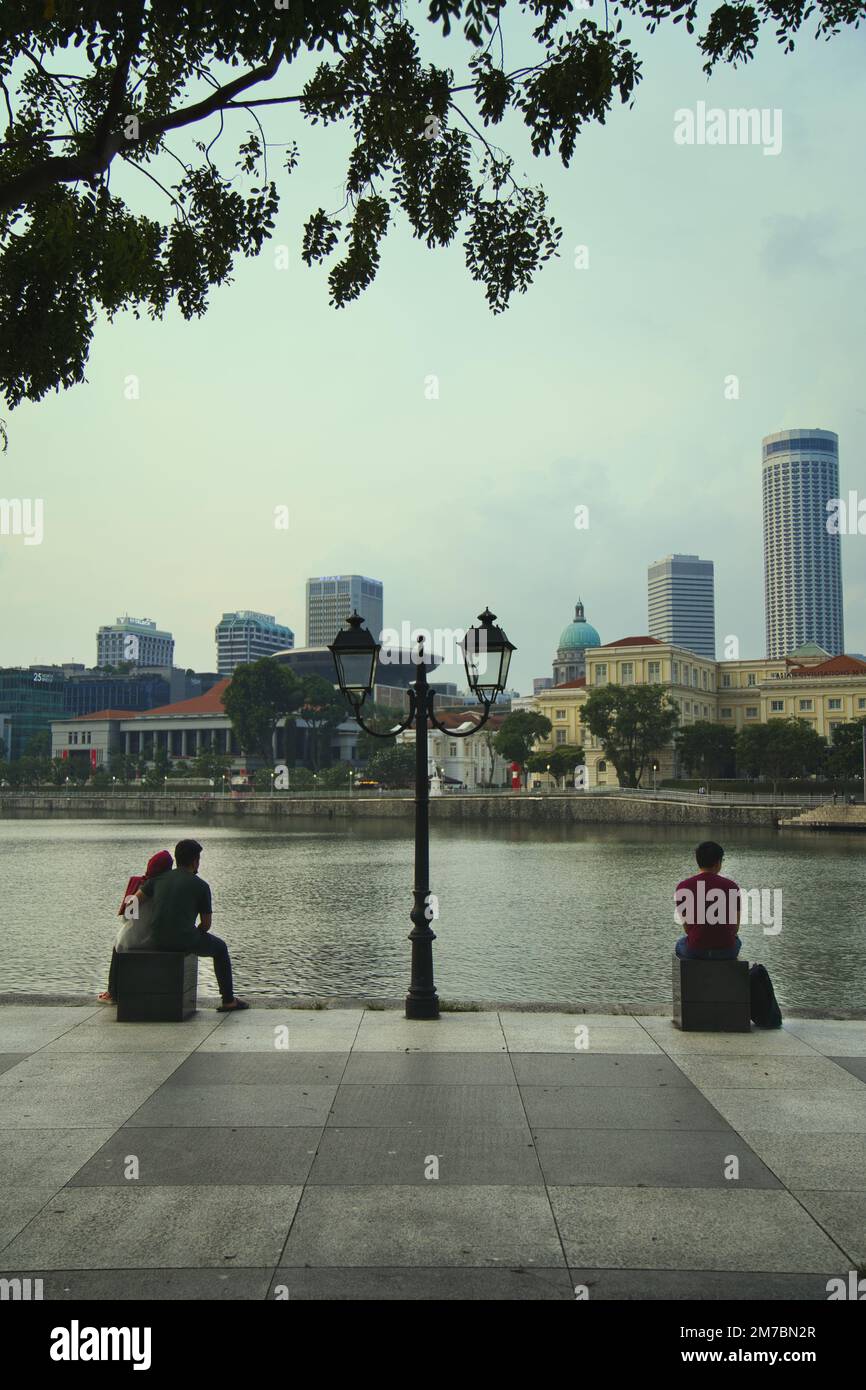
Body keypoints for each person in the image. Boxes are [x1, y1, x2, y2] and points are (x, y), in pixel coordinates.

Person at [135, 838, 248, 1011]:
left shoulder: (158, 880)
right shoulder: (201, 886)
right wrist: (193, 934)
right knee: (220, 948)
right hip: (184, 939)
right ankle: (228, 1000)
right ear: (195, 861)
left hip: (156, 938)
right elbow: (206, 924)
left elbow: (133, 902)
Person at [98, 849, 173, 1003]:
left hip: (136, 940)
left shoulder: (140, 886)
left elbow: (127, 917)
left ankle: (112, 992)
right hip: (159, 939)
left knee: (118, 945)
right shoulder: (169, 887)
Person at [674, 840, 742, 960]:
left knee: (680, 944)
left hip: (696, 951)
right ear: (718, 862)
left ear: (698, 861)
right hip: (726, 951)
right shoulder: (732, 887)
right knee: (737, 941)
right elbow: (735, 928)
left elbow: (687, 929)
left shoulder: (683, 887)